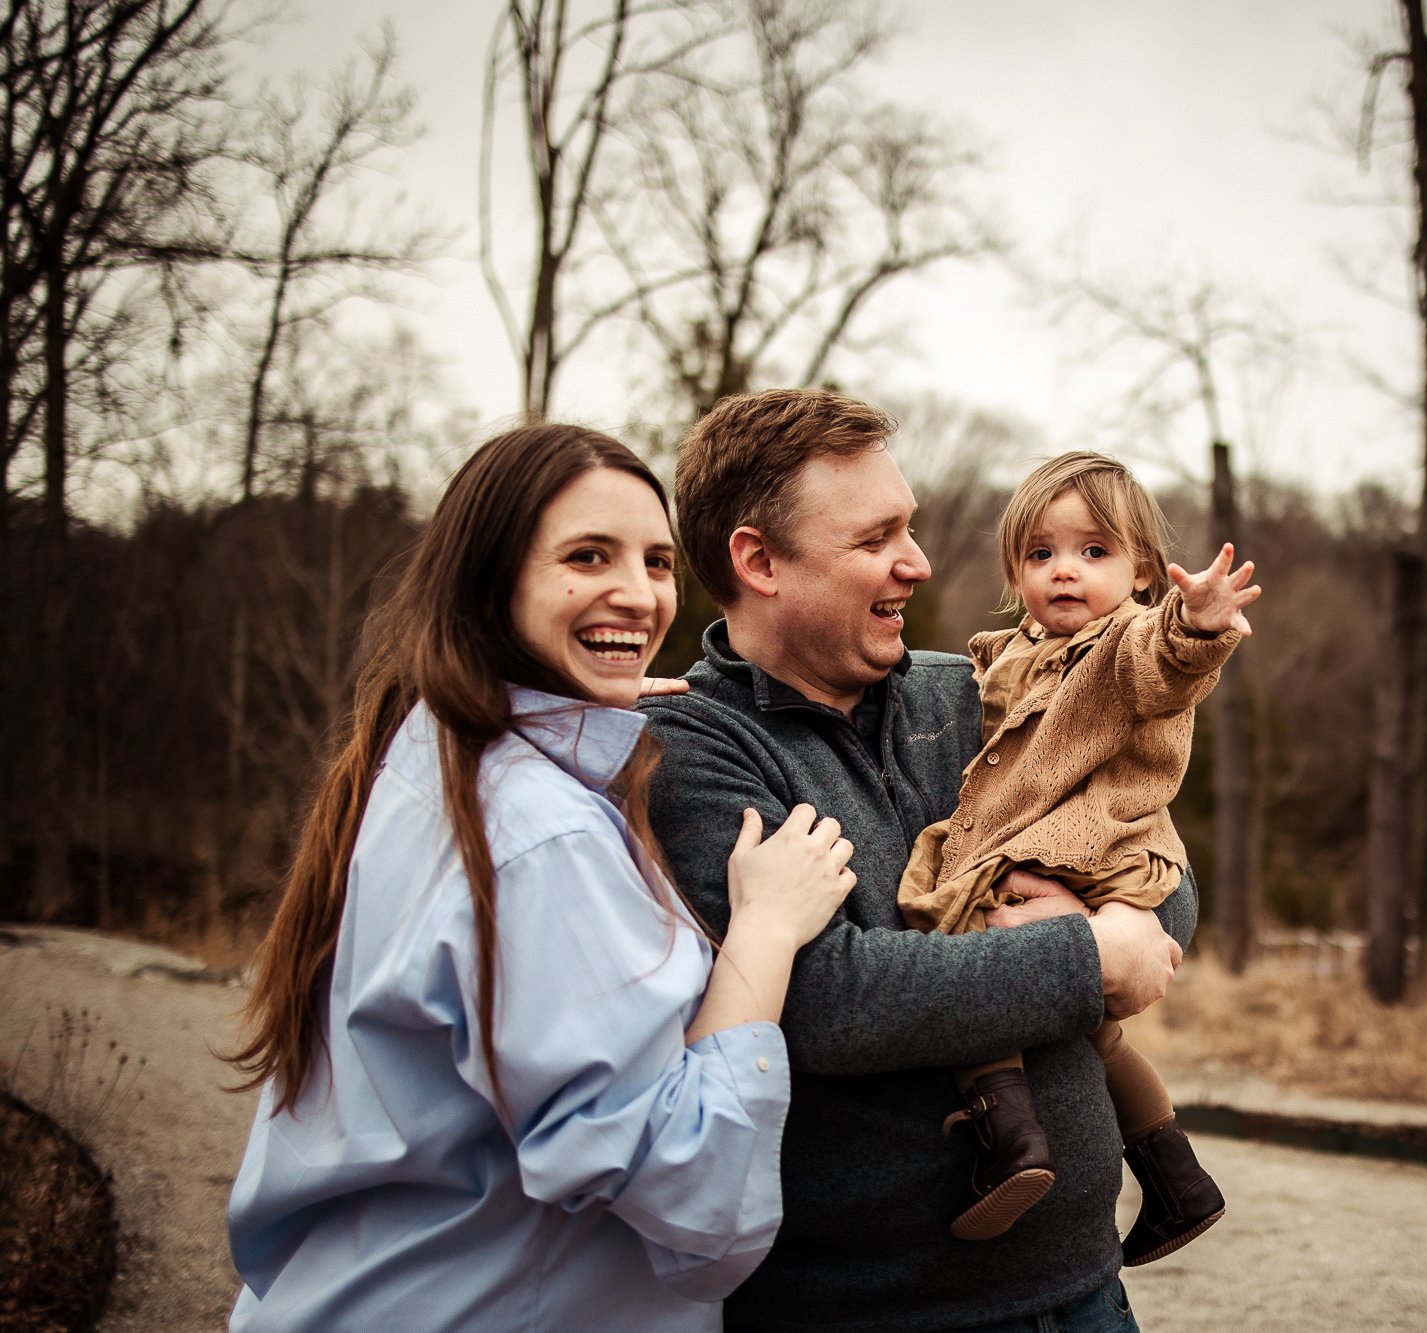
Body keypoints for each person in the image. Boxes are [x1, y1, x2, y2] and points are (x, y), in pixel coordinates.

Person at [224, 423, 856, 1331]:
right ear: (492, 579)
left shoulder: (432, 745)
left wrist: (580, 705)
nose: (637, 595)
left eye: (657, 561)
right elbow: (689, 1196)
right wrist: (764, 927)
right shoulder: (539, 836)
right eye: (587, 556)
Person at [642, 389, 1189, 1333]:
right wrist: (1093, 955)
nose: (919, 562)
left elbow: (1152, 853)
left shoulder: (976, 690)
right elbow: (830, 1001)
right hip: (873, 1309)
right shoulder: (691, 747)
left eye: (912, 526)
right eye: (876, 537)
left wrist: (1131, 922)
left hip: (1085, 1285)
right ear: (758, 560)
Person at [897, 451, 1256, 1260]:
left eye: (1094, 552)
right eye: (1041, 553)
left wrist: (1193, 624)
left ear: (1139, 570)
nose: (1065, 572)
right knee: (1095, 1033)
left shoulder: (1125, 640)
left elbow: (1161, 664)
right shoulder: (1016, 647)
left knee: (952, 933)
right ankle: (1175, 1177)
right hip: (1084, 855)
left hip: (1094, 850)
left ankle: (1009, 1135)